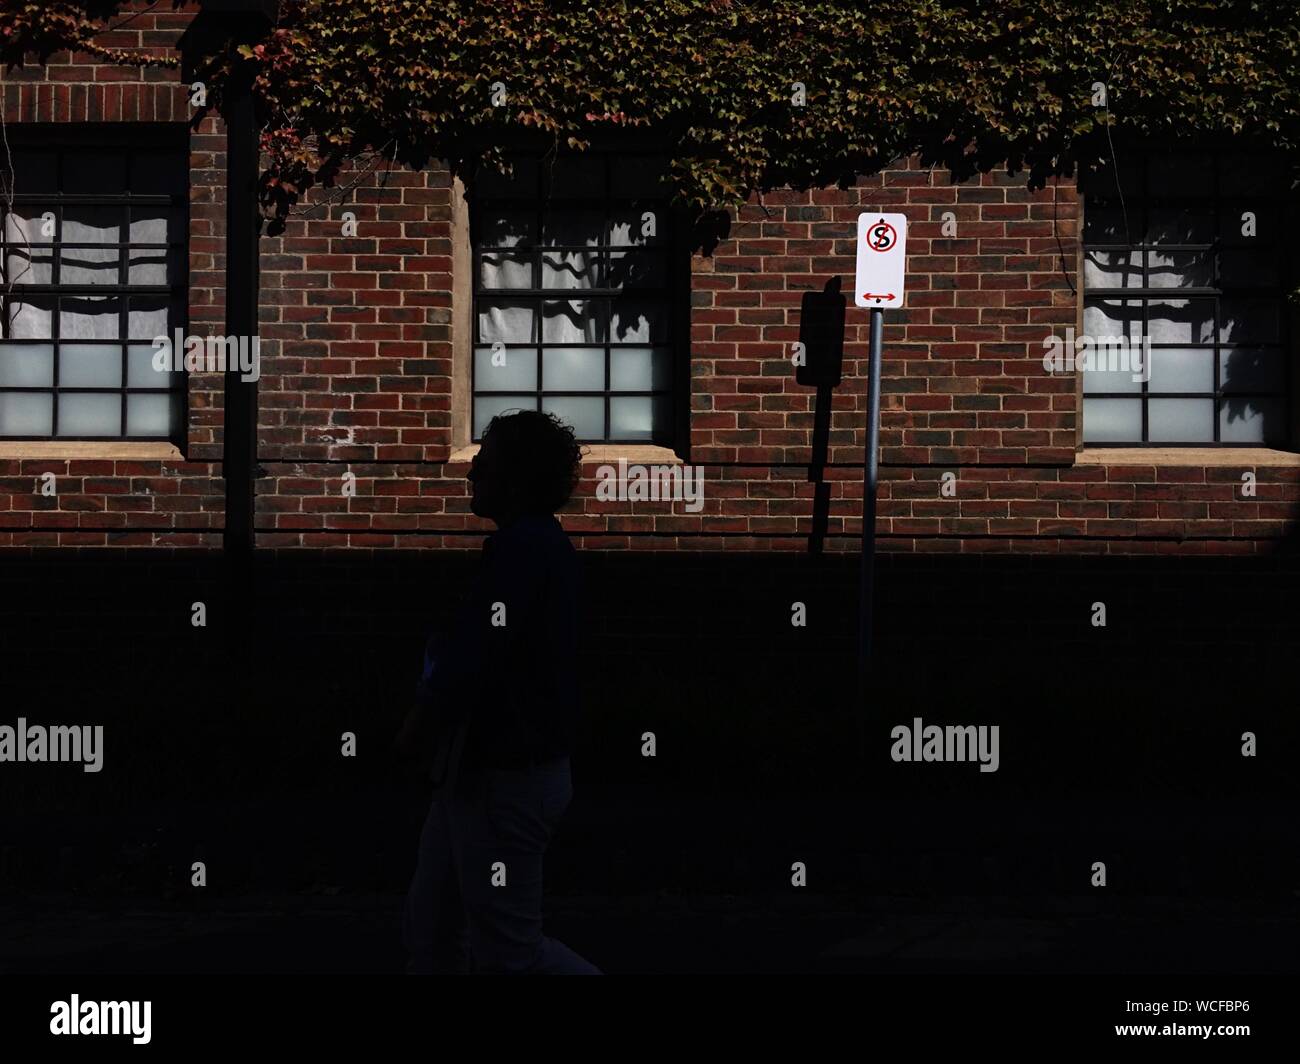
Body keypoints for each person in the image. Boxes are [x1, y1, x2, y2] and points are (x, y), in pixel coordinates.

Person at [397, 410, 601, 974]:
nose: (471, 477)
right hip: (489, 774)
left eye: (482, 466)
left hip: (502, 777)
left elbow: (473, 660)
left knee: (507, 949)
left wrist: (420, 724)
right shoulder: (539, 548)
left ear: (512, 479)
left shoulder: (520, 553)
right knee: (436, 928)